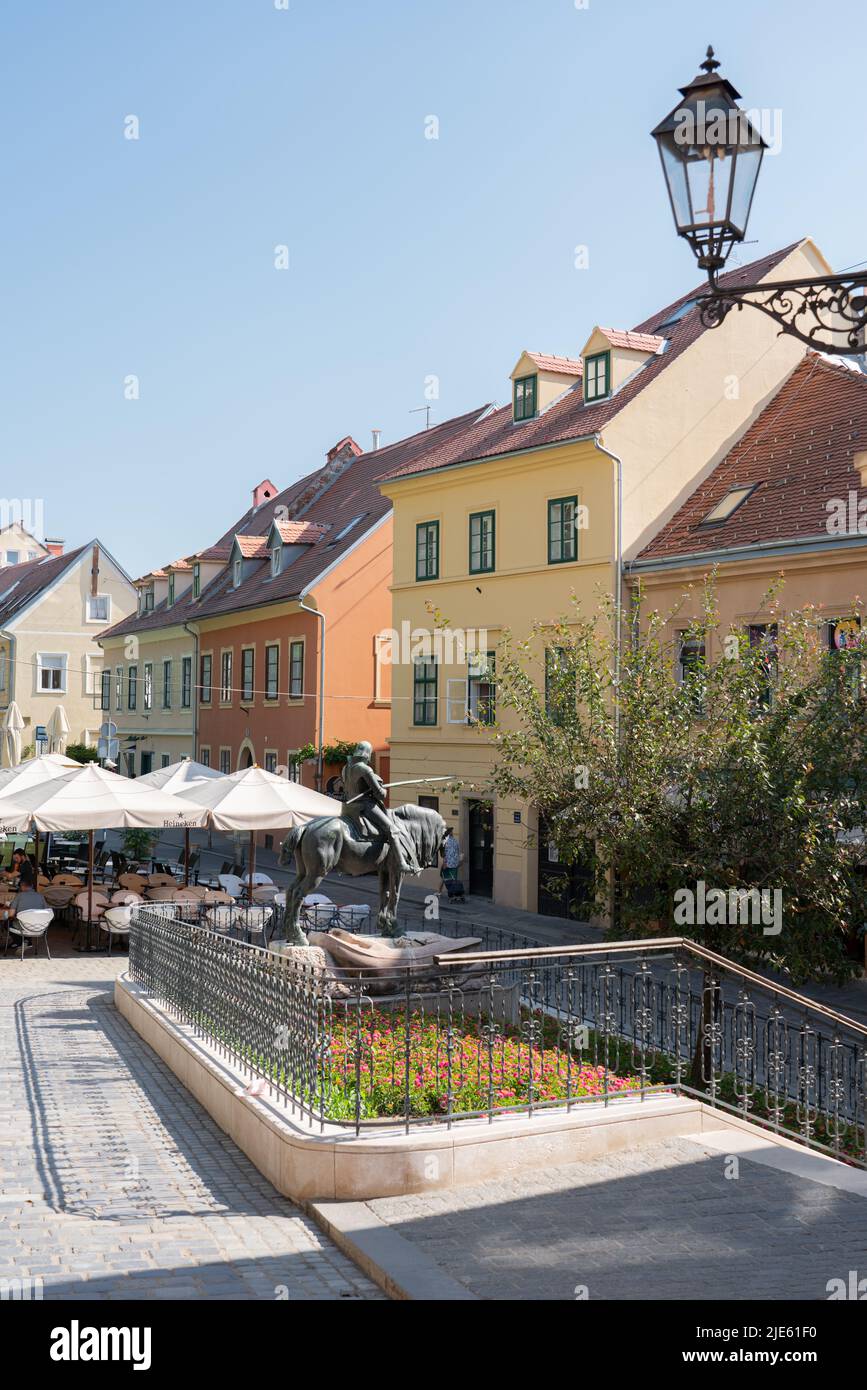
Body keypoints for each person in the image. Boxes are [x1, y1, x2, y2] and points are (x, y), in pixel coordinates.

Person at [341, 741, 421, 874]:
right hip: (365, 805)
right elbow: (380, 795)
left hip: (349, 806)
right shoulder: (365, 769)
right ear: (367, 754)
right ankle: (402, 863)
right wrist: (382, 788)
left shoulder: (345, 768)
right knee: (392, 830)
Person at [1, 862, 48, 952]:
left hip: (24, 927)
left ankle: (21, 942)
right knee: (25, 920)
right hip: (40, 927)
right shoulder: (40, 896)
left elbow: (11, 914)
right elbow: (48, 911)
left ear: (22, 886)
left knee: (8, 922)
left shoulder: (19, 896)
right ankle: (24, 942)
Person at [440, 827, 463, 892]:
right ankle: (453, 893)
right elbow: (458, 851)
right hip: (454, 864)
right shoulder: (455, 841)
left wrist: (444, 863)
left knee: (444, 879)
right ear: (450, 833)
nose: (452, 832)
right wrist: (459, 861)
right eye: (451, 831)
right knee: (453, 879)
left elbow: (444, 854)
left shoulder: (445, 841)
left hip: (447, 864)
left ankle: (440, 892)